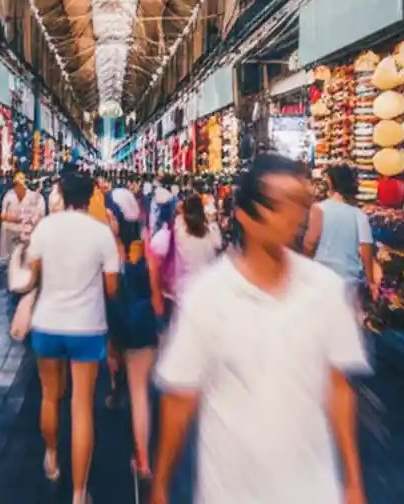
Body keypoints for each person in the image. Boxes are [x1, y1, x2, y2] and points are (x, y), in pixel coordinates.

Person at [152, 154, 370, 504]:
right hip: (230, 491)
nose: (296, 218)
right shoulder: (208, 296)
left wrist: (353, 481)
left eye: (301, 204)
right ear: (245, 215)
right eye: (281, 205)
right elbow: (180, 398)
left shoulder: (326, 290)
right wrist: (160, 485)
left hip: (313, 491)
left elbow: (339, 388)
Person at [26, 171, 121, 504]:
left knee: (50, 396)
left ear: (61, 194)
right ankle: (80, 493)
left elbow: (32, 275)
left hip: (47, 323)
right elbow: (112, 288)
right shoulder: (102, 233)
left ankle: (51, 456)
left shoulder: (45, 228)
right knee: (82, 407)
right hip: (87, 327)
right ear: (91, 195)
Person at [107, 184, 160, 492]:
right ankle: (143, 460)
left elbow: (109, 290)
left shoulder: (110, 249)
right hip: (142, 325)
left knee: (117, 367)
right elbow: (155, 295)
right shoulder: (147, 246)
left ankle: (115, 391)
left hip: (118, 321)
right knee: (141, 394)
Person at [303, 165, 377, 300]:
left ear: (331, 183)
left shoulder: (318, 209)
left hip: (321, 276)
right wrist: (371, 281)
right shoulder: (358, 214)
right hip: (348, 280)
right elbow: (366, 249)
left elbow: (310, 242)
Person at [148, 191, 222, 320]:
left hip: (181, 295)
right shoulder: (211, 232)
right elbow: (219, 245)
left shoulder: (177, 230)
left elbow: (155, 248)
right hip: (205, 294)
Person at [0, 172, 45, 263]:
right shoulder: (9, 195)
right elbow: (3, 215)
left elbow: (40, 217)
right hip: (10, 234)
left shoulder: (38, 198)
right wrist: (17, 219)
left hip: (28, 235)